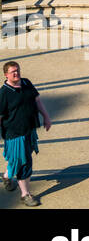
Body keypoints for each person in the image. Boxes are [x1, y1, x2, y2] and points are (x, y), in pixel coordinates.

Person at [1, 61, 52, 207]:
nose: (16, 73)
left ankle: (6, 176)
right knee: (24, 163)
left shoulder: (26, 83)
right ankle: (25, 195)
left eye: (17, 70)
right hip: (15, 134)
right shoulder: (3, 93)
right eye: (13, 72)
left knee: (17, 159)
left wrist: (46, 117)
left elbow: (37, 101)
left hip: (30, 130)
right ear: (6, 75)